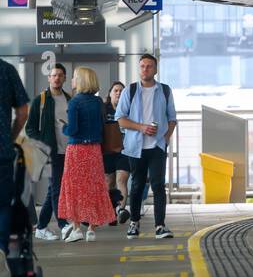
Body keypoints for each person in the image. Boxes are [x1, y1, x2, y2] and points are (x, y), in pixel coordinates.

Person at [115, 54, 177, 239]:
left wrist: (165, 139)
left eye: (149, 66)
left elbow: (172, 118)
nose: (145, 69)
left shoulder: (164, 90)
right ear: (139, 68)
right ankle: (134, 223)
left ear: (156, 69)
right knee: (137, 185)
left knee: (158, 185)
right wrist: (141, 127)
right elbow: (121, 119)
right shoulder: (130, 90)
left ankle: (160, 226)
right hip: (136, 147)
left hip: (157, 147)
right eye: (142, 66)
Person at [58, 67, 115, 242]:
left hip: (77, 150)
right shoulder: (98, 102)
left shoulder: (75, 102)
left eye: (74, 77)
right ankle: (91, 228)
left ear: (81, 80)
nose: (72, 80)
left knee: (74, 188)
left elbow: (73, 129)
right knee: (94, 186)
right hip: (94, 150)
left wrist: (64, 127)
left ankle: (76, 229)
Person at [26, 63, 72, 240]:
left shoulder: (69, 99)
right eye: (54, 75)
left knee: (54, 188)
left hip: (66, 150)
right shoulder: (41, 100)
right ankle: (63, 224)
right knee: (57, 188)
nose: (57, 78)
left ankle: (42, 227)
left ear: (64, 78)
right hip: (49, 151)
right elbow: (30, 128)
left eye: (60, 75)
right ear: (49, 78)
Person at [0, 58, 30, 264]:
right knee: (2, 204)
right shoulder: (6, 70)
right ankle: (1, 253)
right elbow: (22, 113)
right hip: (1, 150)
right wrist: (9, 138)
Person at [103, 81, 129, 224]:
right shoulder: (103, 109)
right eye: (116, 90)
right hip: (107, 151)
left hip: (124, 150)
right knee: (109, 182)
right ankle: (111, 211)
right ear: (110, 93)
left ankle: (121, 210)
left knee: (121, 179)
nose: (118, 93)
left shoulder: (128, 110)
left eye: (121, 91)